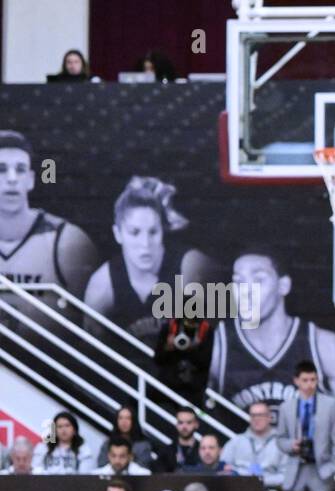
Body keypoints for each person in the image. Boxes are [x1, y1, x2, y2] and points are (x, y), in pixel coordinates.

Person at [209, 246, 335, 423]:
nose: (247, 291)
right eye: (238, 282)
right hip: (243, 450)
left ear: (283, 286)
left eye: (258, 280)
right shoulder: (217, 346)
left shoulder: (322, 344)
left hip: (308, 450)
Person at [83, 177, 221, 342]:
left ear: (163, 231)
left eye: (153, 232)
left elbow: (219, 345)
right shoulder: (102, 284)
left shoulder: (193, 267)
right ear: (118, 234)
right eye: (134, 232)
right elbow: (92, 354)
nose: (145, 244)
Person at [0, 130, 98, 298]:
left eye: (20, 169)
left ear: (31, 179)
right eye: (1, 169)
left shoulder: (68, 241)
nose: (12, 178)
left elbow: (92, 320)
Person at [276, 360, 335, 491]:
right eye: (305, 380)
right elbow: (280, 438)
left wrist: (333, 467)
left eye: (313, 380)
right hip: (296, 466)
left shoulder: (331, 405)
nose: (309, 384)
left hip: (321, 468)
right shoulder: (286, 407)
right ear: (296, 381)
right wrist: (291, 445)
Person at [223, 401, 290, 488]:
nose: (256, 419)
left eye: (260, 415)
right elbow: (223, 469)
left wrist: (260, 481)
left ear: (270, 417)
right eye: (253, 415)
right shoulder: (235, 442)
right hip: (239, 490)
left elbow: (286, 476)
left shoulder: (281, 443)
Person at [155, 313, 215, 404]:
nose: (189, 324)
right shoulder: (169, 327)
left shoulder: (206, 330)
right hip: (168, 383)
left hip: (193, 388)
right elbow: (157, 359)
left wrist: (193, 348)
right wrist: (167, 347)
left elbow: (206, 362)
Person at [96, 405, 154, 470]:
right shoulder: (107, 443)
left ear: (133, 421)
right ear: (116, 421)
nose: (124, 422)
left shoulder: (143, 445)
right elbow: (101, 466)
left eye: (128, 418)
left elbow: (144, 470)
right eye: (120, 418)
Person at [153, 407, 203, 472]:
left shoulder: (204, 450)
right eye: (180, 422)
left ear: (196, 424)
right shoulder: (166, 451)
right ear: (176, 424)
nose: (184, 427)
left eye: (189, 422)